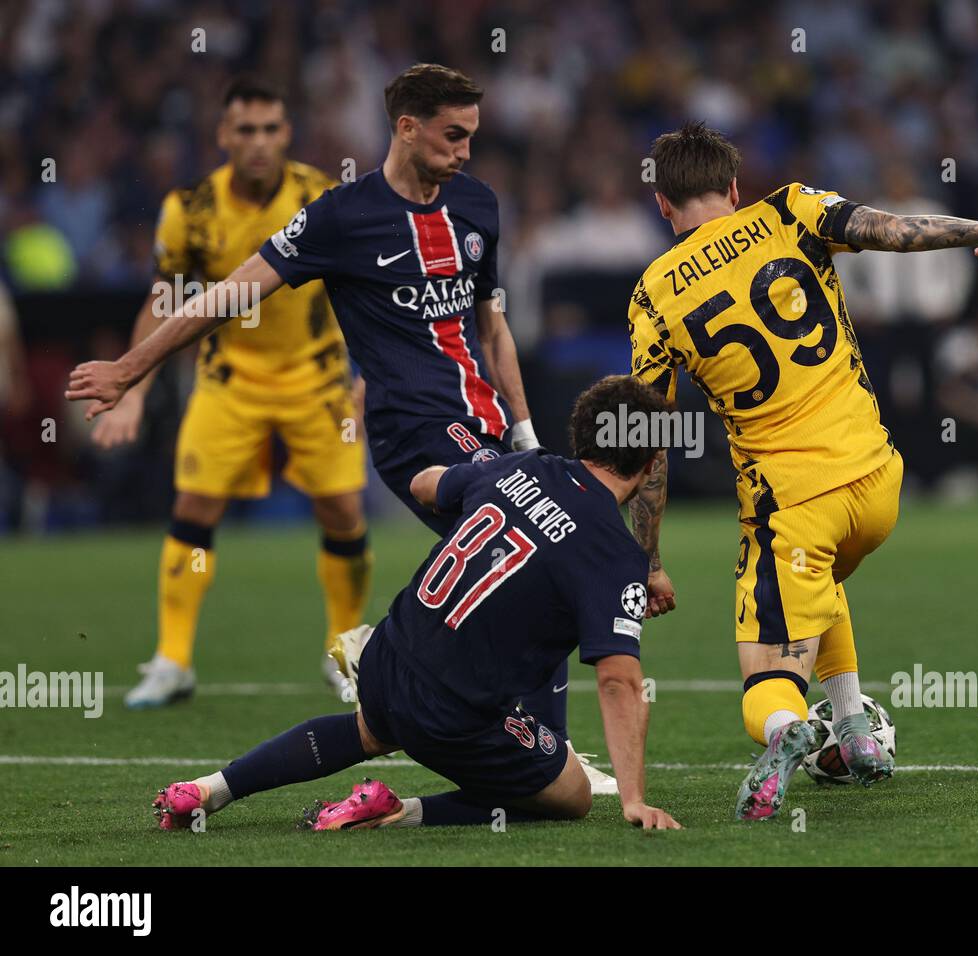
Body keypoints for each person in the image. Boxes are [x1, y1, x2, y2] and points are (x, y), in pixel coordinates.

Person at [66, 63, 617, 793]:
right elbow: (229, 294)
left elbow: (493, 327)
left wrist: (523, 433)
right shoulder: (340, 217)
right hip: (411, 430)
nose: (466, 152)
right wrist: (131, 369)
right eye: (453, 136)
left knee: (534, 567)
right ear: (406, 127)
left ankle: (523, 735)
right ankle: (383, 657)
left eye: (473, 136)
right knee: (546, 548)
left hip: (483, 424)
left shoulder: (479, 206)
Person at [625, 123, 978, 820]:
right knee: (822, 581)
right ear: (735, 188)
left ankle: (790, 730)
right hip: (877, 479)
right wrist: (977, 230)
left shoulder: (654, 295)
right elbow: (891, 230)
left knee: (765, 676)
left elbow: (651, 445)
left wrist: (648, 556)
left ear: (662, 204)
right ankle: (854, 729)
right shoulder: (789, 209)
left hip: (793, 504)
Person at [150, 376, 680, 832]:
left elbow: (426, 485)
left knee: (368, 731)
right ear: (653, 458)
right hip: (454, 713)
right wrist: (633, 799)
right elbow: (617, 680)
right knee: (572, 795)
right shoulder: (612, 552)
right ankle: (397, 811)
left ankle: (210, 788)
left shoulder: (523, 466)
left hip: (385, 656)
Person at [88, 77, 370, 707]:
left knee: (344, 512)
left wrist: (363, 378)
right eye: (245, 130)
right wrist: (133, 387)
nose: (259, 142)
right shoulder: (188, 209)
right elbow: (164, 301)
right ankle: (173, 660)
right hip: (228, 380)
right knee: (194, 508)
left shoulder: (322, 197)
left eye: (271, 129)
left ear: (287, 133)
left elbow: (366, 295)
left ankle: (344, 648)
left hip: (316, 377)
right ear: (223, 135)